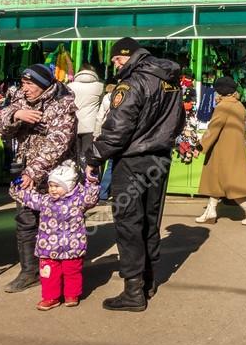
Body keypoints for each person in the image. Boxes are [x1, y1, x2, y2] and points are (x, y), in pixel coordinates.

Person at [87, 38, 184, 312]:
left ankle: (133, 291)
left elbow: (117, 131)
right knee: (150, 222)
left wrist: (93, 157)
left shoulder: (132, 83)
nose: (115, 65)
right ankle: (149, 281)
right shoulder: (171, 81)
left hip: (132, 162)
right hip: (160, 159)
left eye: (116, 60)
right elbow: (178, 122)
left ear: (126, 56)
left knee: (129, 225)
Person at [0, 64, 78, 293]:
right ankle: (28, 271)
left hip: (53, 176)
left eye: (30, 84)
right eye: (23, 83)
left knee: (54, 224)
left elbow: (58, 143)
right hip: (25, 172)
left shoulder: (63, 104)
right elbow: (0, 122)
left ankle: (55, 271)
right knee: (25, 220)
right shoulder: (20, 98)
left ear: (43, 85)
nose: (25, 88)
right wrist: (15, 114)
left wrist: (34, 171)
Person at [9, 160, 99, 310]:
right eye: (51, 185)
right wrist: (17, 185)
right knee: (49, 273)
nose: (53, 190)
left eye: (57, 186)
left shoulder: (79, 200)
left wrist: (91, 182)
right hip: (48, 247)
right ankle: (51, 297)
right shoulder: (45, 200)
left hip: (72, 246)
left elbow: (91, 196)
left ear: (69, 186)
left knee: (72, 271)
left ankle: (72, 294)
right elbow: (28, 197)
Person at [195, 76, 246, 226]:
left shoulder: (223, 107)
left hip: (221, 150)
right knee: (216, 182)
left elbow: (213, 129)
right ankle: (210, 212)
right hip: (235, 149)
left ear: (220, 91)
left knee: (228, 183)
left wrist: (200, 146)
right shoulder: (239, 105)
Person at [69, 65, 105, 169]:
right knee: (89, 155)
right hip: (91, 126)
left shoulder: (70, 86)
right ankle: (89, 180)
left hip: (73, 124)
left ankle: (76, 179)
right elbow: (102, 103)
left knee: (74, 156)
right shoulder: (100, 86)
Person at [94, 82, 116, 202]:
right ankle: (106, 192)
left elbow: (99, 117)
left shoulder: (106, 98)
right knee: (112, 164)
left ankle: (100, 192)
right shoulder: (123, 97)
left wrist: (96, 134)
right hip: (116, 134)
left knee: (101, 162)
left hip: (104, 133)